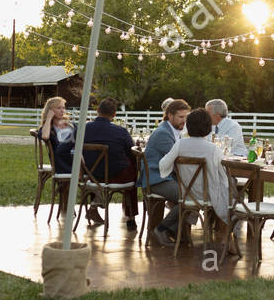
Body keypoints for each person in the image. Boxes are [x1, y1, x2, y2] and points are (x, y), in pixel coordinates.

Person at [153, 106, 232, 248]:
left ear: (188, 126)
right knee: (230, 189)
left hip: (187, 195)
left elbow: (163, 164)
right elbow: (224, 177)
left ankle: (179, 232)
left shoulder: (180, 144)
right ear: (208, 127)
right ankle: (225, 235)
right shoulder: (214, 149)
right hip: (207, 196)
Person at [57, 98, 138, 229]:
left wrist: (79, 166)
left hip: (90, 175)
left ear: (97, 111)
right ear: (114, 115)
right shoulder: (121, 131)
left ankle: (95, 205)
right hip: (115, 175)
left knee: (99, 166)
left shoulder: (82, 129)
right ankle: (130, 217)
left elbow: (62, 150)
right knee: (132, 169)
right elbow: (132, 153)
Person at [143, 99, 190, 240]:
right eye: (181, 117)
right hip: (156, 178)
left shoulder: (173, 130)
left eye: (186, 117)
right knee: (189, 197)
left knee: (193, 193)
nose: (184, 121)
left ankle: (175, 231)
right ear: (170, 115)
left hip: (166, 175)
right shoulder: (163, 133)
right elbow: (177, 162)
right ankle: (161, 229)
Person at [34, 96, 74, 173]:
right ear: (50, 111)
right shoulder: (49, 128)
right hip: (62, 161)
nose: (62, 111)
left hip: (76, 157)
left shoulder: (71, 125)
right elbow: (45, 136)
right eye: (59, 108)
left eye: (63, 108)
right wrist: (49, 118)